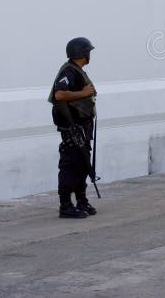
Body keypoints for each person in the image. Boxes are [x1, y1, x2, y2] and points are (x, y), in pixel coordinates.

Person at [48, 37, 98, 218]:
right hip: (73, 129)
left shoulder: (77, 71)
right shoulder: (69, 71)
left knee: (83, 164)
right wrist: (84, 93)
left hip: (82, 128)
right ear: (82, 53)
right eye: (88, 52)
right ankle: (66, 206)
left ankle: (81, 201)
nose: (89, 55)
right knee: (71, 166)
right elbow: (59, 94)